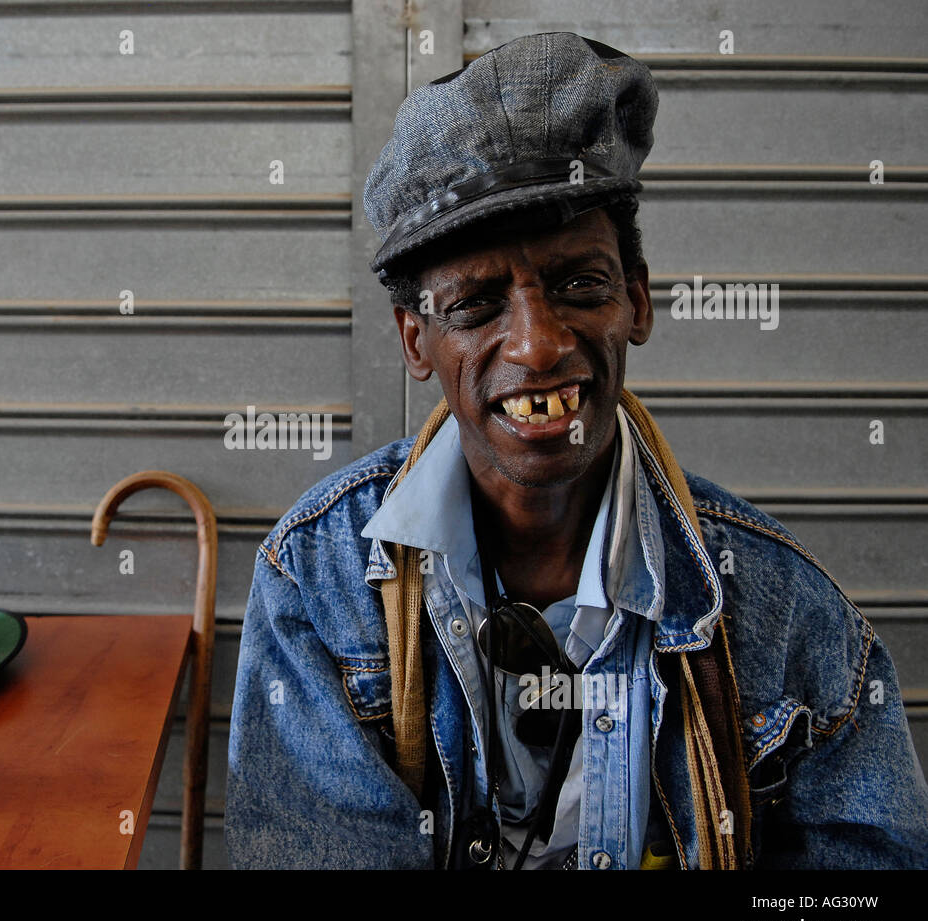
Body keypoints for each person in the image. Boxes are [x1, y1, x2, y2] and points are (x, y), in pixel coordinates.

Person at [224, 32, 928, 869]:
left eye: (577, 285)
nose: (537, 344)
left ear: (635, 300)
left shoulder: (785, 616)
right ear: (416, 341)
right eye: (478, 304)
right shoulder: (321, 582)